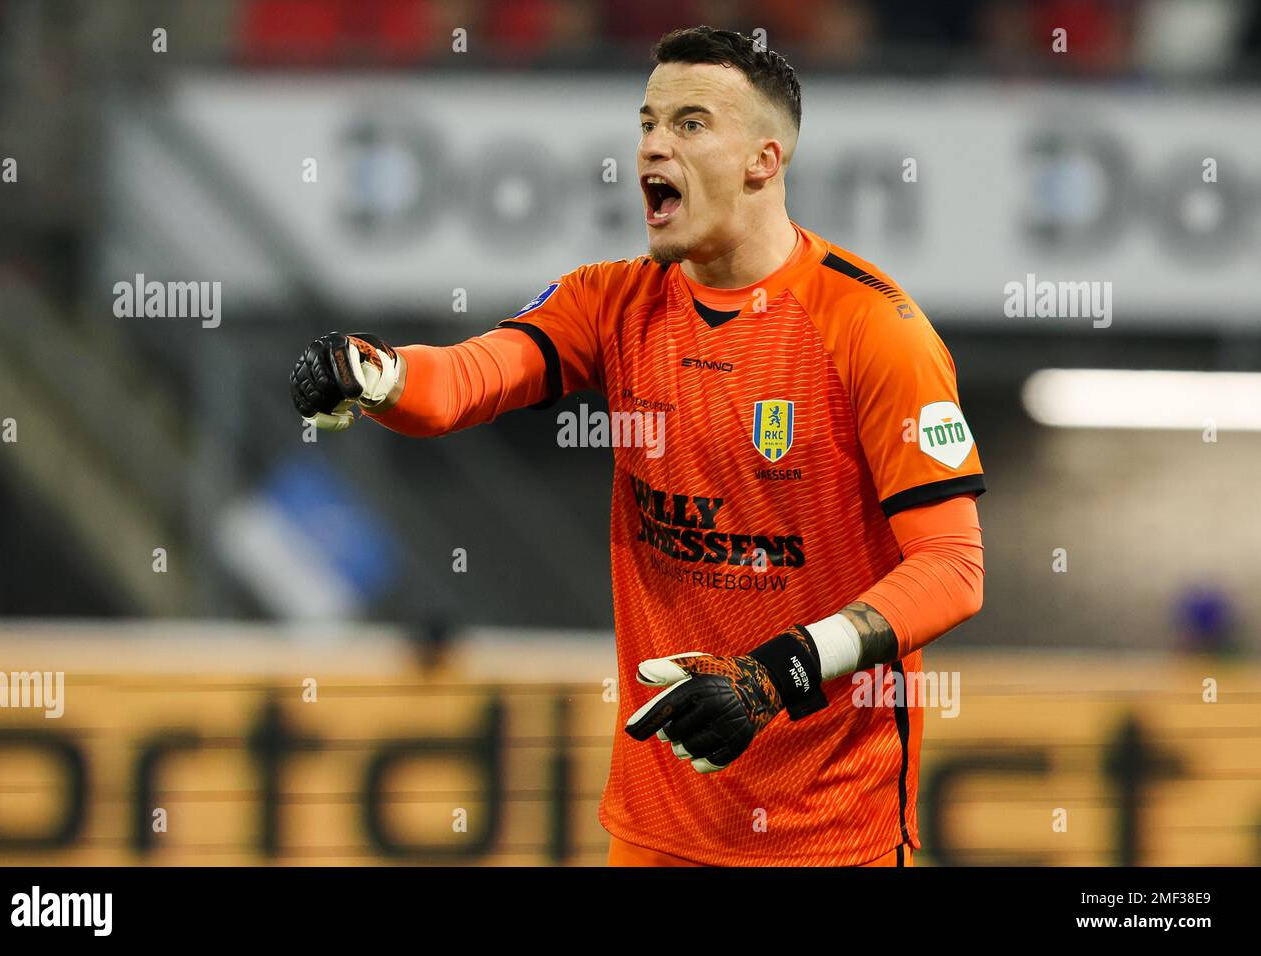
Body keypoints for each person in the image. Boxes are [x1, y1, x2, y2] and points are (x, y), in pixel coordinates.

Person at [290, 26, 985, 867]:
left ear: (764, 160)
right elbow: (467, 380)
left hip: (832, 837)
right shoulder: (611, 302)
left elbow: (952, 569)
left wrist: (779, 673)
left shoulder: (875, 330)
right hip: (656, 831)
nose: (654, 144)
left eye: (691, 124)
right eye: (648, 123)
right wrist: (376, 373)